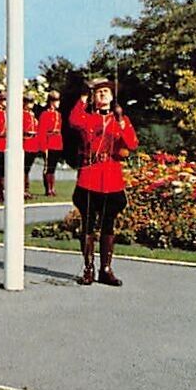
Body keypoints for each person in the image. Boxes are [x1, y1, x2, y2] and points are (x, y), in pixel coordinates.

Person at [69, 78, 138, 287]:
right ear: (93, 97)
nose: (103, 95)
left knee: (108, 225)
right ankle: (88, 268)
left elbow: (132, 144)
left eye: (106, 92)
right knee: (88, 225)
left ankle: (105, 269)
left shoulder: (121, 119)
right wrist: (83, 96)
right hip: (90, 176)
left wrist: (122, 121)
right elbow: (73, 121)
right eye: (98, 92)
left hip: (111, 177)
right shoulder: (87, 118)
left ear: (112, 96)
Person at [37, 90, 65, 196]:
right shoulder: (45, 114)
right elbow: (42, 131)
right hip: (48, 142)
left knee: (53, 167)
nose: (58, 103)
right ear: (51, 102)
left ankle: (53, 188)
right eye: (56, 100)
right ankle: (48, 189)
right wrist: (43, 147)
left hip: (56, 142)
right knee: (48, 167)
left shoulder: (58, 115)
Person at [21, 94, 41, 195]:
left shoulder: (32, 115)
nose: (30, 104)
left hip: (33, 143)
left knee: (27, 169)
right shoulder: (21, 114)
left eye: (31, 102)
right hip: (26, 142)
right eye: (28, 102)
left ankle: (26, 188)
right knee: (23, 168)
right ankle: (22, 189)